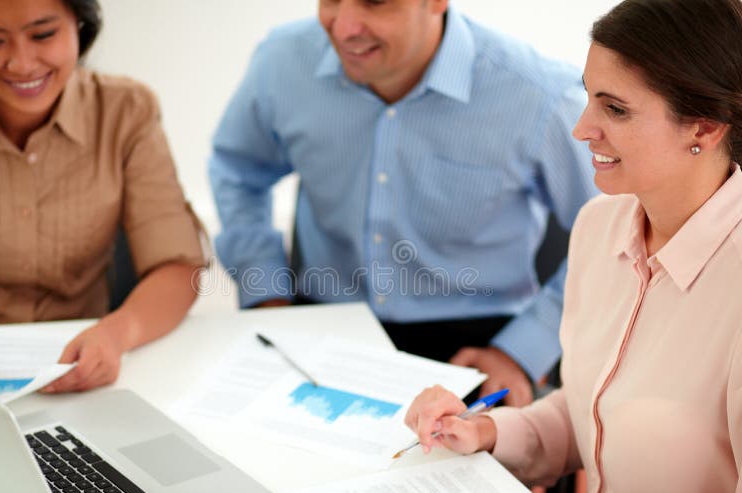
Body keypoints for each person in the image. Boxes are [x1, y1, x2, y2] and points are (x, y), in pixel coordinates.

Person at [405, 0, 742, 493]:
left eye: (616, 109)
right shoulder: (599, 227)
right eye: (589, 96)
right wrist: (487, 432)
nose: (582, 128)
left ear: (704, 128)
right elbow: (596, 406)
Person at [209, 0, 597, 407]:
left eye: (375, 3)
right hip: (320, 326)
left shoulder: (541, 95)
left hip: (477, 346)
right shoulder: (280, 61)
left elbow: (619, 236)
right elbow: (238, 171)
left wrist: (521, 351)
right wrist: (267, 291)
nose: (343, 28)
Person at [0, 0, 206, 392]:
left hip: (79, 374)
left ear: (80, 25)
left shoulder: (125, 110)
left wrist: (118, 333)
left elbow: (179, 268)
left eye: (43, 35)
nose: (22, 63)